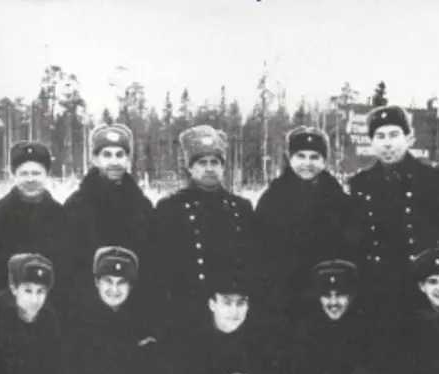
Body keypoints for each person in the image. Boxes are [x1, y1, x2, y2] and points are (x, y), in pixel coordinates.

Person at [346, 104, 439, 374]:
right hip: (381, 298)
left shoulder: (434, 178)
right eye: (380, 135)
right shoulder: (360, 185)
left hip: (425, 298)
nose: (387, 142)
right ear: (371, 142)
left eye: (394, 134)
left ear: (409, 138)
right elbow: (357, 245)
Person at [154, 125, 257, 334]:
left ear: (223, 168)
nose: (209, 168)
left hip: (229, 318)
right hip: (185, 317)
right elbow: (161, 270)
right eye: (202, 162)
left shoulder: (241, 209)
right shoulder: (170, 209)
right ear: (190, 168)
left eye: (215, 162)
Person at [254, 126, 352, 326]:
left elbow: (350, 250)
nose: (307, 163)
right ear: (290, 158)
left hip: (327, 299)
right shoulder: (272, 199)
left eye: (315, 157)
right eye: (301, 156)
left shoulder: (339, 200)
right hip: (282, 300)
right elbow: (258, 249)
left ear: (324, 161)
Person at [60, 124, 154, 317]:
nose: (114, 162)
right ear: (95, 159)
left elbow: (151, 264)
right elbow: (68, 268)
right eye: (107, 155)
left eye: (120, 155)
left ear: (128, 159)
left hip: (134, 313)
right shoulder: (76, 206)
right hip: (86, 313)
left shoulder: (142, 206)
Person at [65, 246, 161, 374]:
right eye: (108, 281)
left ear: (130, 286)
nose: (114, 289)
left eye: (121, 282)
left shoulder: (143, 326)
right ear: (97, 282)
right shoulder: (79, 325)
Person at [164, 270, 274, 374]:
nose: (234, 312)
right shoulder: (191, 339)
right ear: (212, 304)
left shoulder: (260, 338)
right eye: (226, 303)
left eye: (241, 303)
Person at [287, 259, 376, 374]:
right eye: (327, 295)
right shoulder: (306, 332)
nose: (333, 303)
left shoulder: (367, 330)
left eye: (340, 295)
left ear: (351, 297)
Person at [0, 141, 66, 306]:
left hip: (52, 311)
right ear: (13, 175)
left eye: (36, 173)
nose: (30, 179)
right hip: (4, 312)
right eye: (24, 173)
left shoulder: (63, 217)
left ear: (46, 174)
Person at [0, 253, 64, 374]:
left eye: (41, 291)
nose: (35, 300)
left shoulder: (50, 321)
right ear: (14, 289)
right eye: (28, 291)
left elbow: (55, 372)